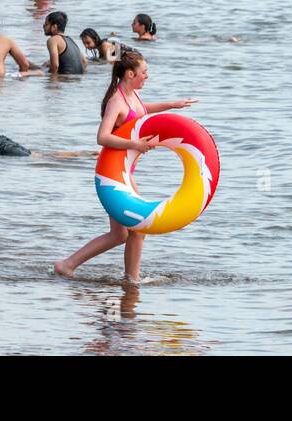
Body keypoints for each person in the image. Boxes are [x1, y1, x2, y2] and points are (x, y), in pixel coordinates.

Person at [53, 50, 198, 282]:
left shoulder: (133, 96)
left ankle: (129, 278)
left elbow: (142, 110)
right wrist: (134, 144)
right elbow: (102, 136)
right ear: (131, 74)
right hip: (112, 175)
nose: (147, 76)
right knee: (128, 231)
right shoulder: (116, 101)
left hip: (125, 173)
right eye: (144, 72)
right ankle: (72, 266)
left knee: (130, 231)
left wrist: (173, 104)